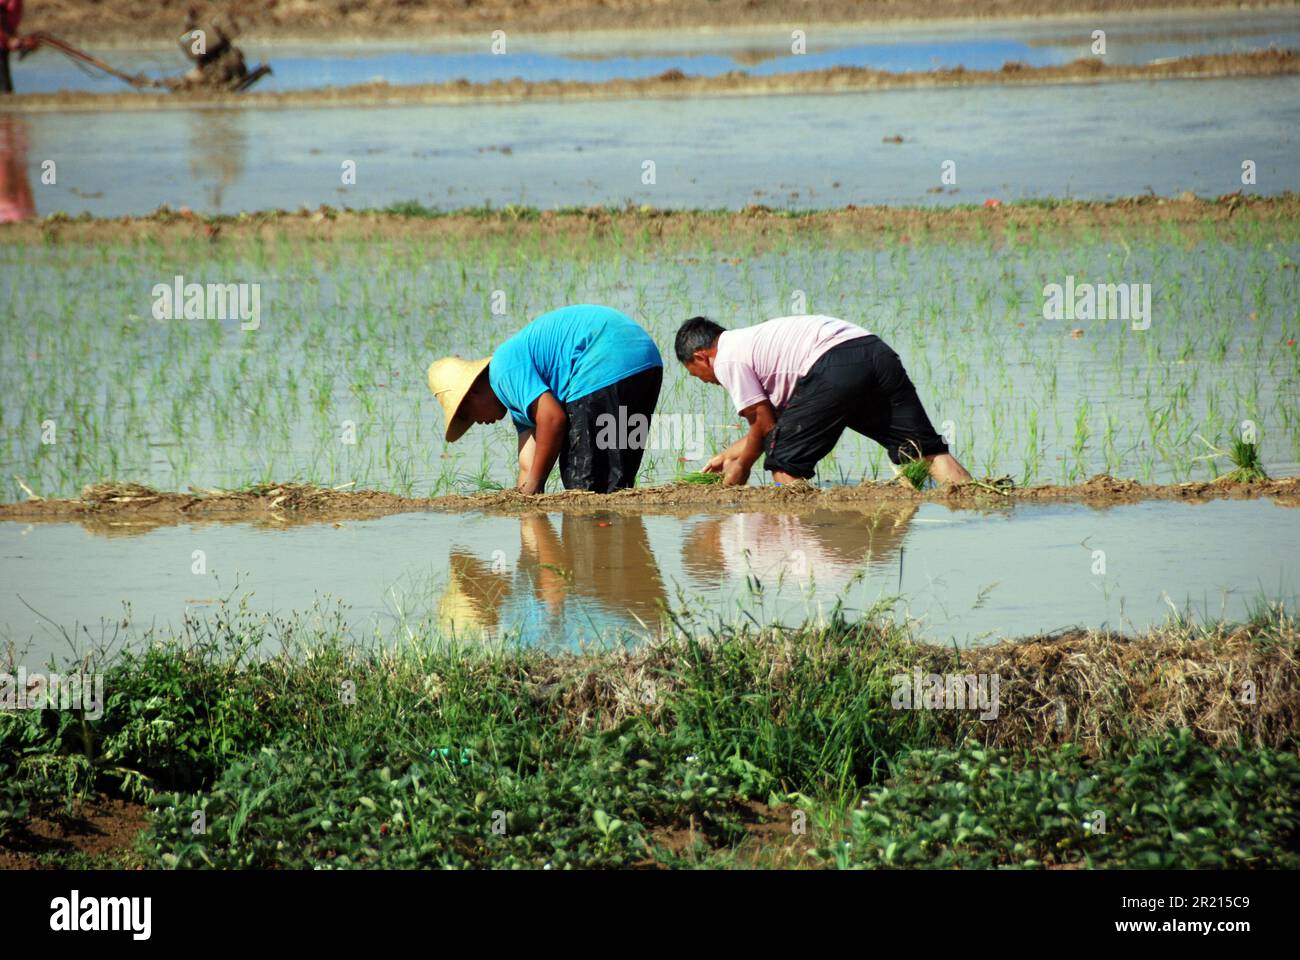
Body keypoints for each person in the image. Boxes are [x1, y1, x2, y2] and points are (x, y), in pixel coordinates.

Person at [675, 314, 972, 486]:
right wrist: (730, 455)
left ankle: (805, 529)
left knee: (784, 462)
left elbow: (764, 424)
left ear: (702, 356)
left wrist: (743, 466)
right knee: (922, 449)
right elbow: (776, 423)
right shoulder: (751, 343)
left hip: (832, 364)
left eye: (696, 373)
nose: (706, 381)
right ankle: (980, 503)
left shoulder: (727, 359)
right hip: (874, 352)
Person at [428, 304, 662, 493]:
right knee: (616, 484)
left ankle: (591, 547)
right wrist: (528, 524)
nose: (477, 423)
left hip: (601, 361)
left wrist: (536, 484)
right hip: (645, 362)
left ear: (473, 393)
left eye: (468, 415)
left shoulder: (503, 369)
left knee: (582, 487)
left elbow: (552, 420)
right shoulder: (522, 403)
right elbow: (527, 467)